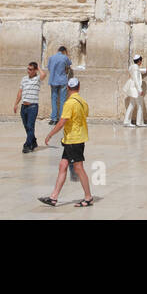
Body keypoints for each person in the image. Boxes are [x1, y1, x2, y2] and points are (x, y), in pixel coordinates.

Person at [38, 77, 94, 207]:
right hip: (74, 139)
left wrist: (50, 134)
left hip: (74, 140)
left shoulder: (69, 103)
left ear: (68, 88)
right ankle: (53, 197)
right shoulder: (83, 102)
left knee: (78, 168)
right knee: (63, 165)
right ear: (78, 87)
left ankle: (88, 197)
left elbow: (62, 121)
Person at [14, 60, 46, 152]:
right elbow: (20, 92)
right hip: (24, 107)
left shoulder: (37, 79)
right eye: (28, 69)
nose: (28, 71)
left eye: (31, 69)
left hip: (33, 107)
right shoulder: (24, 79)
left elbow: (44, 75)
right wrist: (16, 104)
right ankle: (33, 141)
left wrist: (38, 67)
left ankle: (27, 145)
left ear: (35, 70)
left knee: (30, 126)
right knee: (26, 126)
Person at [46, 45, 72, 125]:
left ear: (58, 50)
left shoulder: (51, 58)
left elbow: (49, 68)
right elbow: (69, 64)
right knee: (62, 100)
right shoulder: (65, 57)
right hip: (63, 81)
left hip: (53, 80)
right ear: (64, 51)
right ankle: (61, 119)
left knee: (54, 99)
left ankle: (53, 119)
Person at [123, 54, 147, 127]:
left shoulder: (132, 67)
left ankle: (126, 121)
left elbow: (138, 71)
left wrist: (145, 70)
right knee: (140, 105)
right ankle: (139, 122)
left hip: (133, 88)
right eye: (141, 61)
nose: (141, 62)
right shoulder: (135, 68)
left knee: (131, 105)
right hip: (136, 89)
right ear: (139, 61)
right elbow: (136, 79)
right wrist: (140, 90)